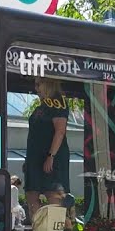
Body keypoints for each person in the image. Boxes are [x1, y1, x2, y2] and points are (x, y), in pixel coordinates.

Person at [23, 78, 71, 221]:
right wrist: (29, 160)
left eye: (39, 84)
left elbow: (60, 131)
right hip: (35, 157)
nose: (36, 88)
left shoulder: (59, 102)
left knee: (53, 195)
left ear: (49, 84)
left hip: (52, 156)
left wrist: (51, 155)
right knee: (31, 194)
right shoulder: (42, 106)